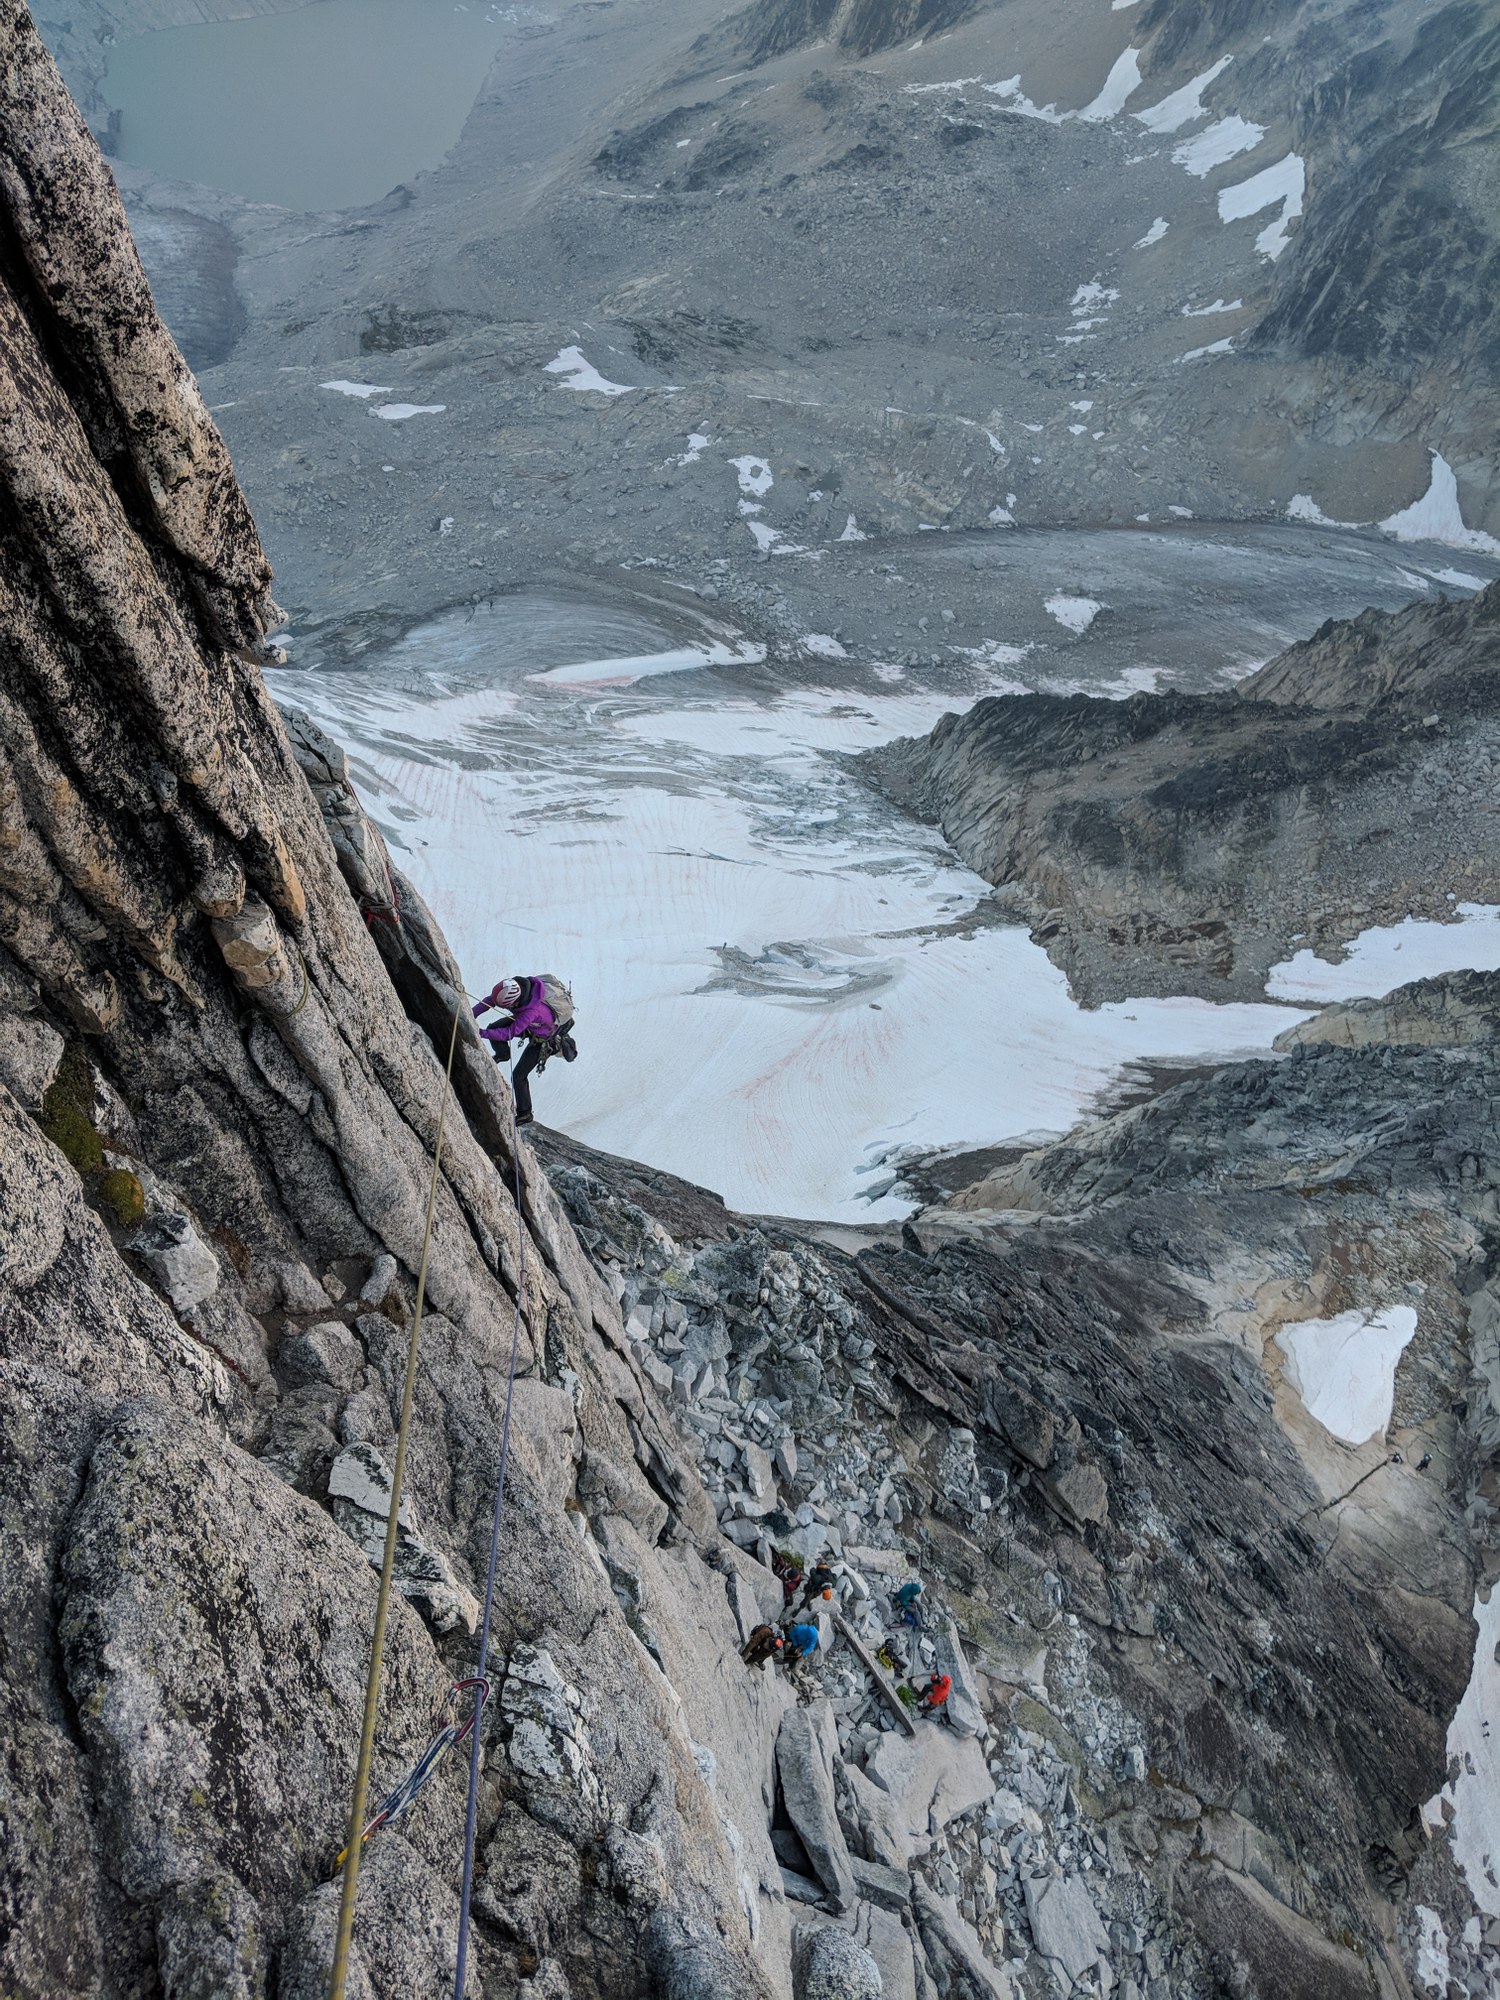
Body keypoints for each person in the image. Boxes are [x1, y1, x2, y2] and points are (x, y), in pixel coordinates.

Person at [473, 974, 575, 1126]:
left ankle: (525, 1113)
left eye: (506, 1006)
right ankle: (503, 1054)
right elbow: (490, 1001)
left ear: (514, 1003)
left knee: (519, 1076)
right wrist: (471, 1015)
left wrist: (480, 1033)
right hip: (531, 1027)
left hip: (543, 1040)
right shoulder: (516, 990)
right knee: (494, 1028)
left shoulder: (531, 1011)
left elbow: (509, 1033)